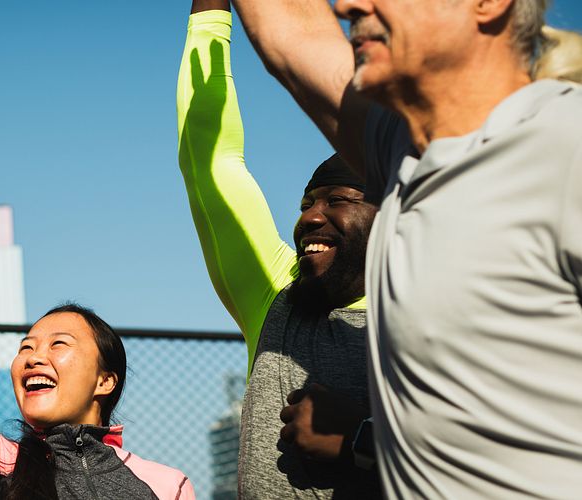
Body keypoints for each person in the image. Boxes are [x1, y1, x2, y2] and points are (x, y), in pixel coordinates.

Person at [231, 0, 582, 497]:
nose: (347, 4)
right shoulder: (404, 157)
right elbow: (294, 35)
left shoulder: (565, 146)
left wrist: (361, 438)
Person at [0, 114, 196, 500]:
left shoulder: (169, 485)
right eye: (26, 347)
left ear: (106, 380)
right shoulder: (0, 466)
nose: (33, 358)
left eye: (58, 344)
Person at [177, 2, 380, 498]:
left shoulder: (433, 314)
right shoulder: (278, 295)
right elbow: (213, 162)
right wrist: (209, 17)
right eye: (307, 202)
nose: (310, 216)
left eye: (338, 200)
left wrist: (361, 439)